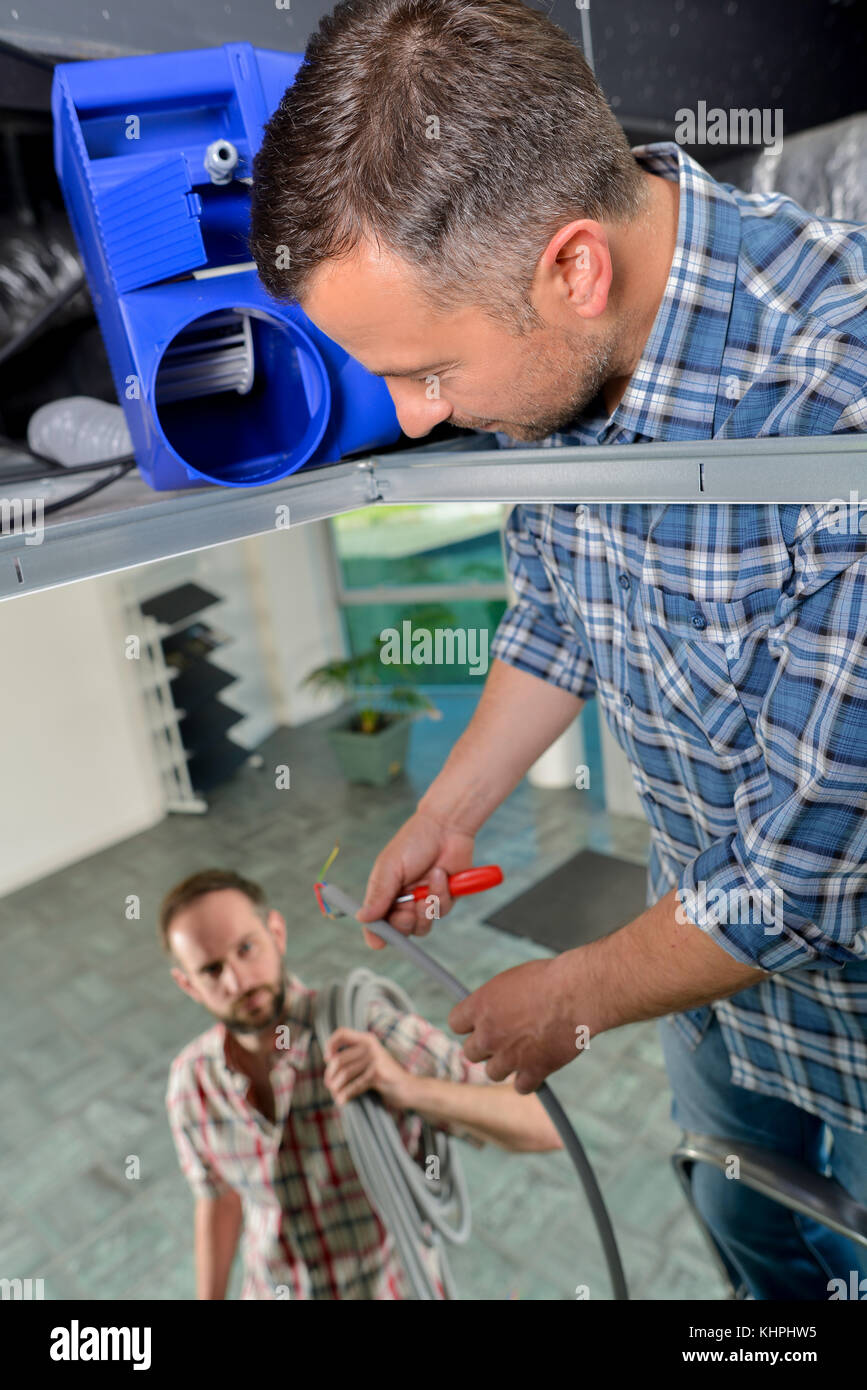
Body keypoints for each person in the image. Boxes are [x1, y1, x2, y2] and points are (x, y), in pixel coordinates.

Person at [248, 0, 867, 1299]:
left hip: (849, 1019)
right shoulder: (561, 358)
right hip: (696, 982)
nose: (421, 422)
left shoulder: (834, 400)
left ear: (571, 267)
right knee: (749, 1237)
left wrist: (572, 993)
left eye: (425, 373)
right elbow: (559, 607)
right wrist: (451, 803)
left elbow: (805, 881)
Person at [161, 869, 562, 1300]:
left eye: (246, 948)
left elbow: (544, 1125)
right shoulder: (191, 1084)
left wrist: (407, 1087)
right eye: (212, 970)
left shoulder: (366, 1032)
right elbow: (219, 1198)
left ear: (276, 932)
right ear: (188, 985)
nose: (238, 981)